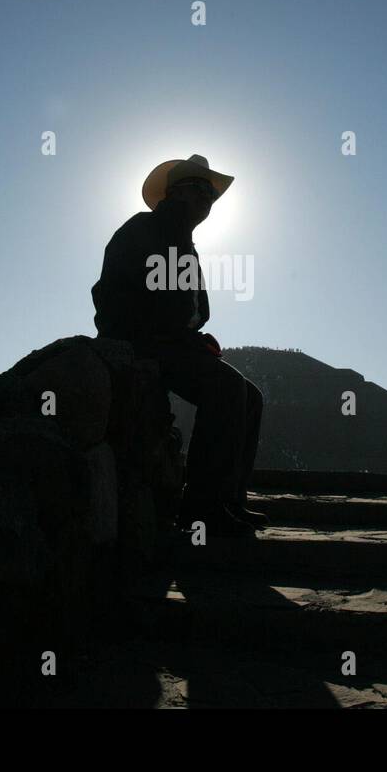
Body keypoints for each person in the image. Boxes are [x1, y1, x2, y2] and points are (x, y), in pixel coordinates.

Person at [91, 154, 266, 538]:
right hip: (141, 345)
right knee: (227, 388)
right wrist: (156, 334)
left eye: (210, 194)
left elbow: (195, 309)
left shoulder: (185, 244)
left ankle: (230, 499)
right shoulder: (143, 230)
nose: (206, 200)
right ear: (175, 193)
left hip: (173, 344)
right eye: (198, 190)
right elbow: (114, 295)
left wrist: (191, 334)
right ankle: (203, 510)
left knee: (250, 397)